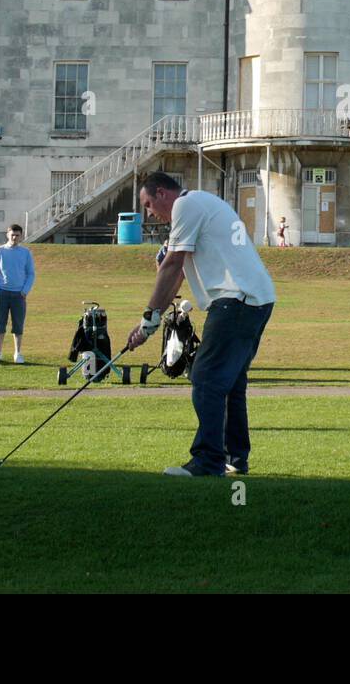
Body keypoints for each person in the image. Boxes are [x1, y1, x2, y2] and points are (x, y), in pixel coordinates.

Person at [127, 172, 276, 477]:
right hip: (255, 300)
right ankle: (235, 458)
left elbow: (171, 264)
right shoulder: (197, 207)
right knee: (231, 383)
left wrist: (147, 317)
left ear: (161, 193)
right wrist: (149, 326)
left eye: (147, 204)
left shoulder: (186, 205)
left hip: (236, 300)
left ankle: (208, 460)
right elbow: (178, 271)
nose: (148, 212)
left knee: (205, 376)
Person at [0, 223, 35, 364]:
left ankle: (18, 353)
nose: (14, 237)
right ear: (7, 235)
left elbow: (31, 273)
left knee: (18, 325)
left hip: (18, 295)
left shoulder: (25, 253)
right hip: (1, 293)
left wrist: (25, 290)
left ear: (21, 236)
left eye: (17, 235)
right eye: (12, 235)